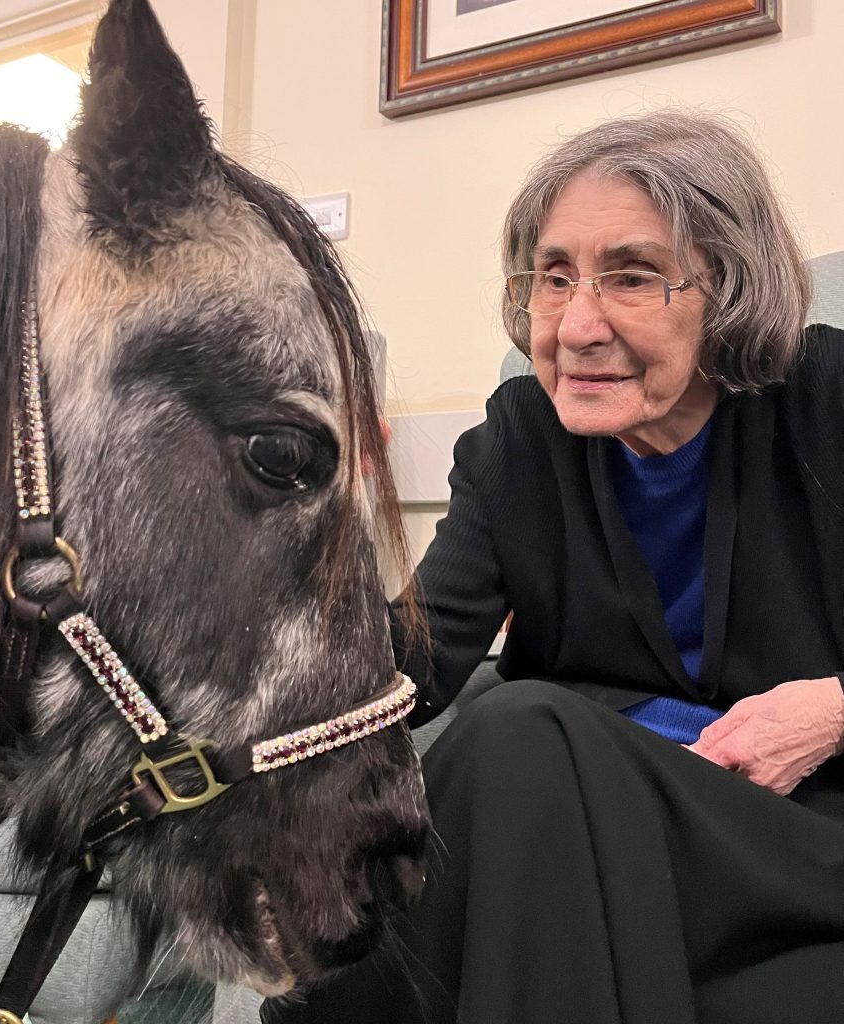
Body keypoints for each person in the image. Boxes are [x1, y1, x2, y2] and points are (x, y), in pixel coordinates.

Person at [261, 109, 844, 1024]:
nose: (574, 326)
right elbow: (410, 665)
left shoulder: (827, 397)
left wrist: (835, 709)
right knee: (517, 762)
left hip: (798, 832)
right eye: (553, 276)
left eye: (631, 276)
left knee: (519, 732)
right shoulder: (520, 441)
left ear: (728, 290)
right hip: (590, 837)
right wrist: (276, 546)